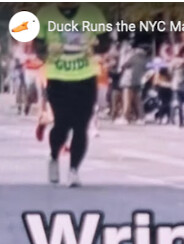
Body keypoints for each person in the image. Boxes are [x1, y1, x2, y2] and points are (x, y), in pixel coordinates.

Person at [35, 3, 110, 187]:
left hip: (85, 77)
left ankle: (73, 170)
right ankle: (54, 156)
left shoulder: (92, 12)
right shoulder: (45, 14)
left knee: (80, 125)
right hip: (57, 77)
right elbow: (38, 48)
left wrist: (94, 46)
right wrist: (48, 51)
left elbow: (105, 42)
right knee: (62, 124)